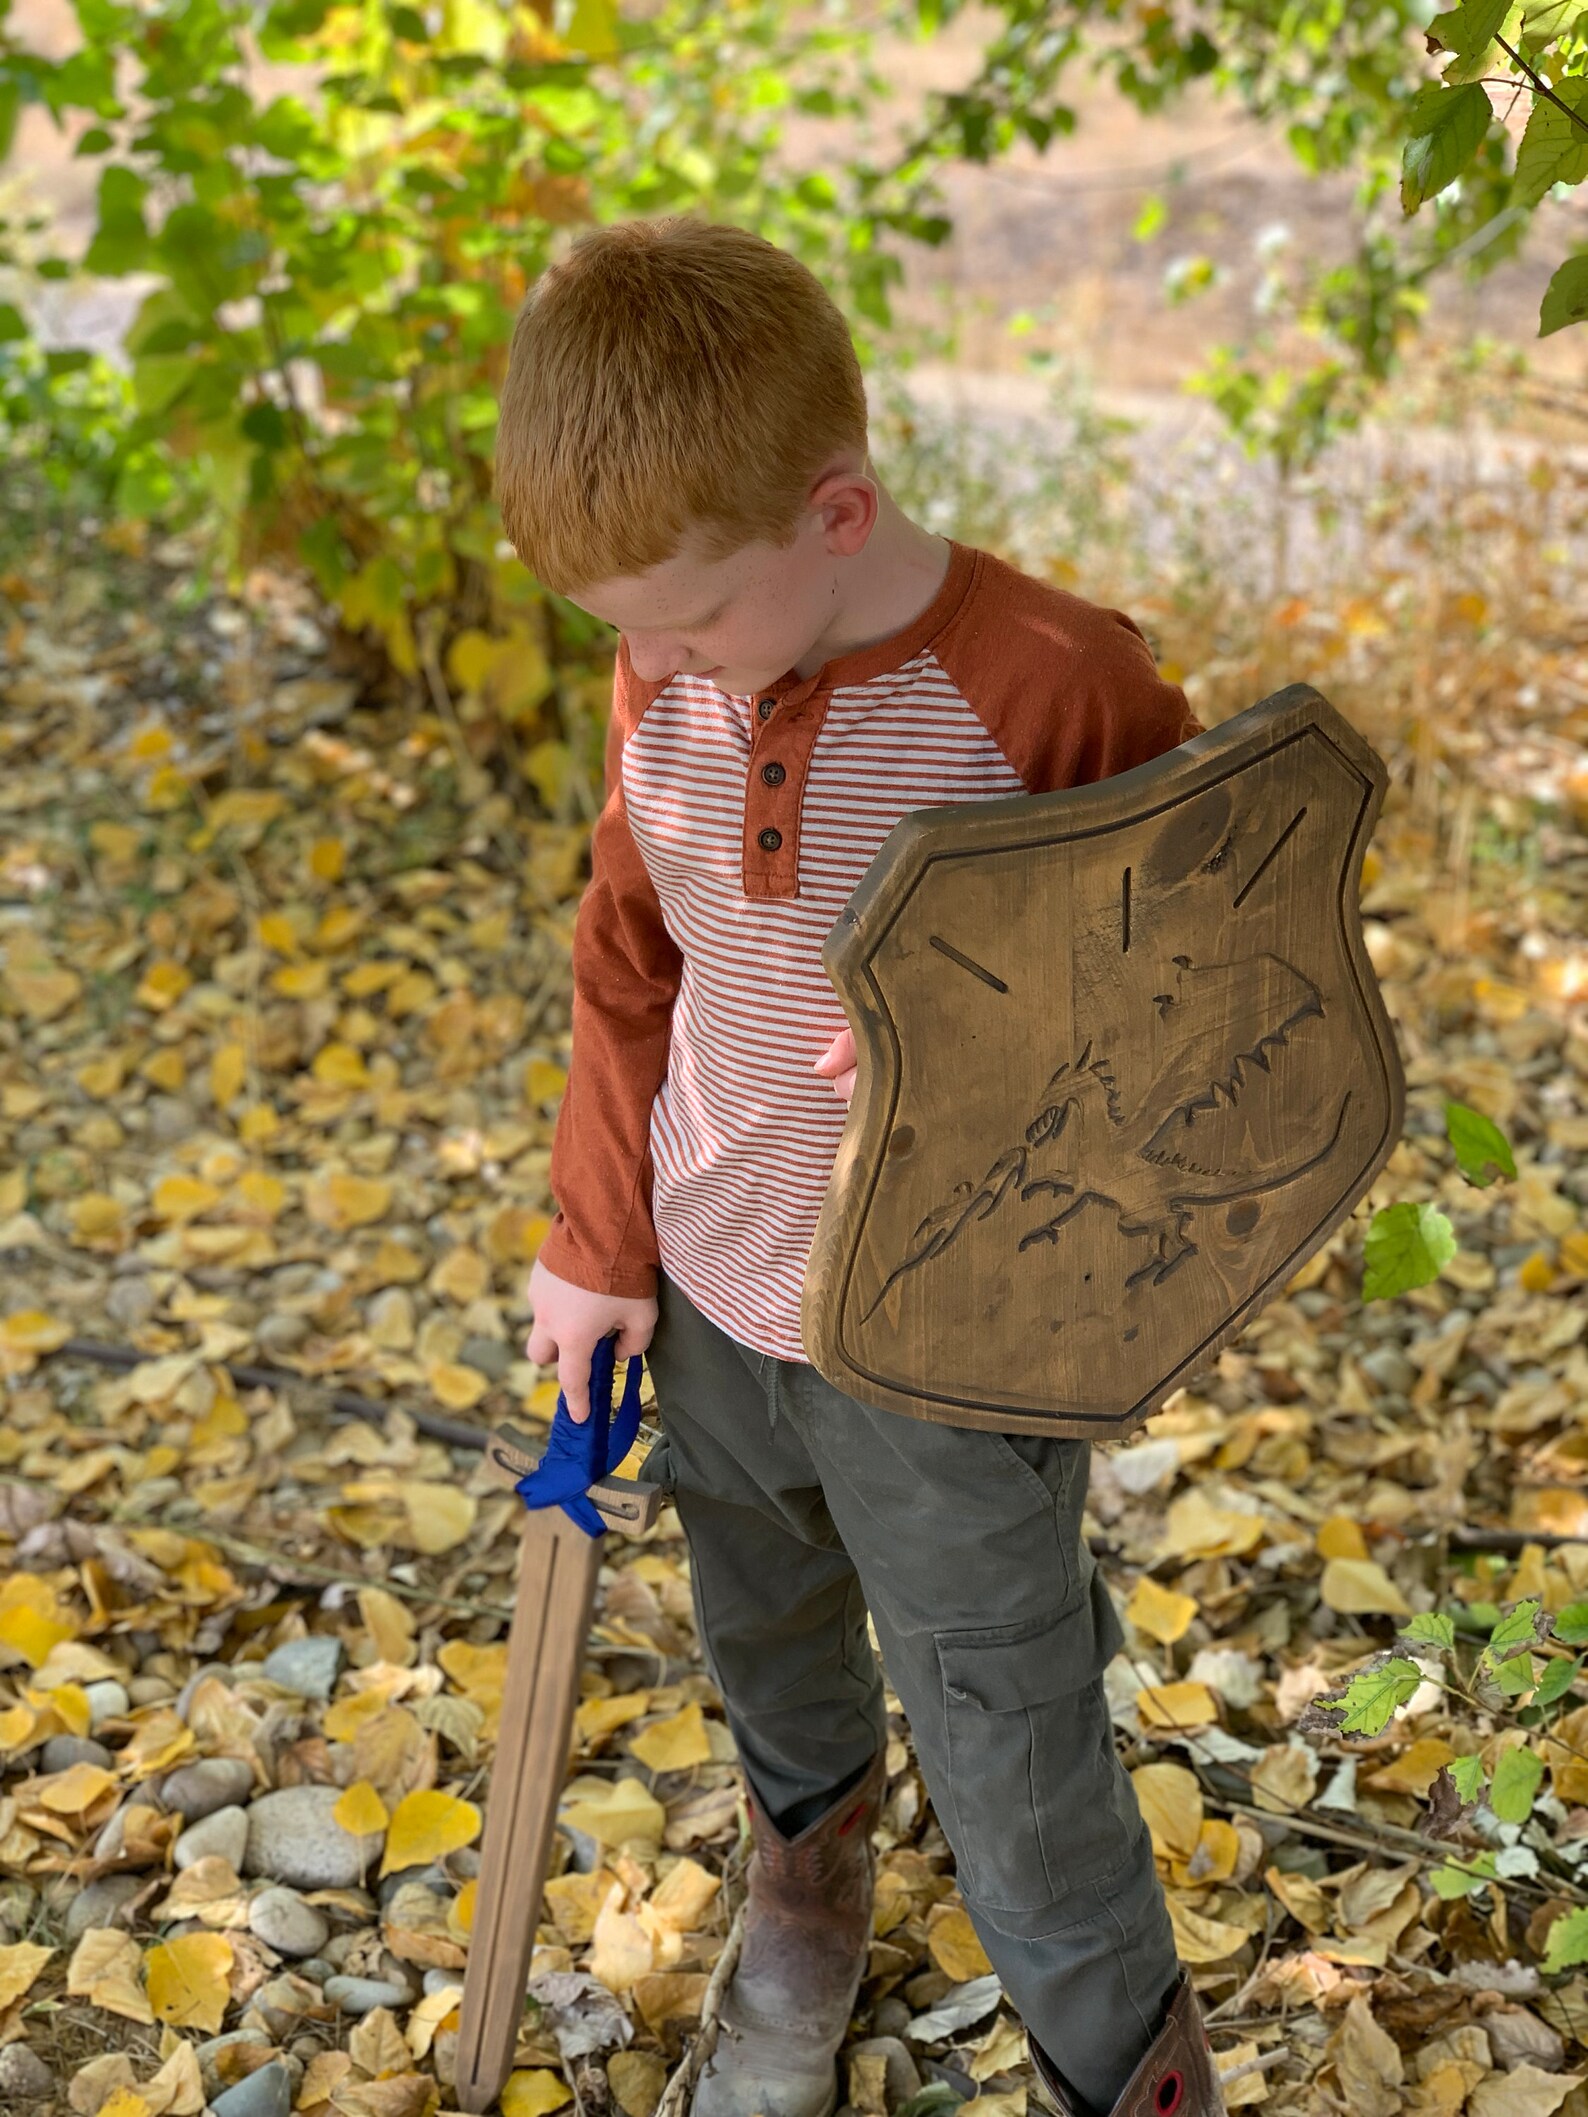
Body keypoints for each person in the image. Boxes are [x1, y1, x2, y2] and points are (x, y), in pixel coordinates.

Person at [493, 214, 1228, 2117]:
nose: (653, 662)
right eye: (621, 630)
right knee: (768, 1637)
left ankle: (1122, 2065)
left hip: (944, 1342)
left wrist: (988, 1036)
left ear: (837, 508)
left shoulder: (1057, 684)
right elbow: (630, 952)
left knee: (1012, 1735)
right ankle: (808, 1897)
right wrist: (597, 1237)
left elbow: (1211, 994)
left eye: (684, 615)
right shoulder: (675, 665)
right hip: (717, 1283)